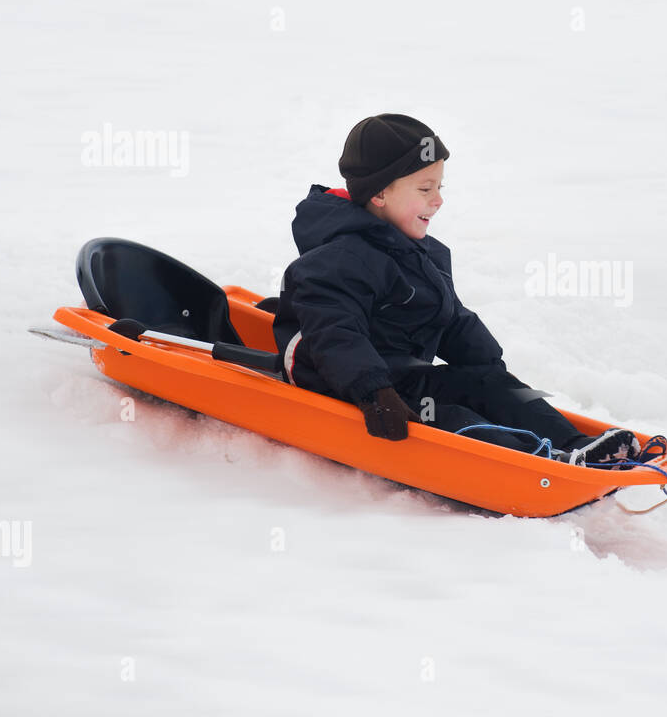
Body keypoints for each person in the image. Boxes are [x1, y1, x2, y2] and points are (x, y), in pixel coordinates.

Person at [272, 113, 639, 466]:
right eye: (425, 189)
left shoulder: (420, 251)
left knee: (487, 386)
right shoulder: (337, 259)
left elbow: (447, 317)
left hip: (403, 377)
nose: (438, 200)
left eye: (439, 187)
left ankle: (577, 445)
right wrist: (373, 390)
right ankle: (537, 462)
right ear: (381, 194)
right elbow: (336, 334)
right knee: (452, 418)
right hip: (347, 386)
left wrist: (487, 369)